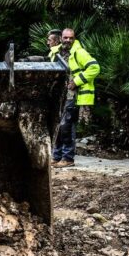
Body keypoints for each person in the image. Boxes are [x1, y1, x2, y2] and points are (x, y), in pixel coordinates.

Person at [51, 28, 99, 168]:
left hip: (72, 95)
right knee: (58, 126)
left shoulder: (80, 52)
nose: (68, 41)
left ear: (74, 38)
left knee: (67, 126)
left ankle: (68, 158)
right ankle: (57, 156)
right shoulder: (56, 52)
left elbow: (94, 68)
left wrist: (76, 81)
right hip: (58, 96)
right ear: (61, 38)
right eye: (65, 38)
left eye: (70, 38)